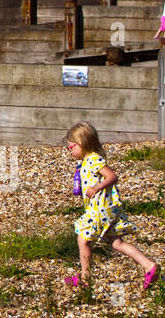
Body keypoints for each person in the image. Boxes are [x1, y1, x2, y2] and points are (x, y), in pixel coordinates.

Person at [64, 122, 159, 290]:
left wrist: (97, 187)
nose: (70, 151)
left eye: (71, 147)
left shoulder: (93, 159)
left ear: (81, 143)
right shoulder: (86, 162)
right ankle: (148, 265)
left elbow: (112, 176)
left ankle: (86, 279)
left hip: (100, 208)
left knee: (82, 238)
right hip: (107, 209)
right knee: (116, 242)